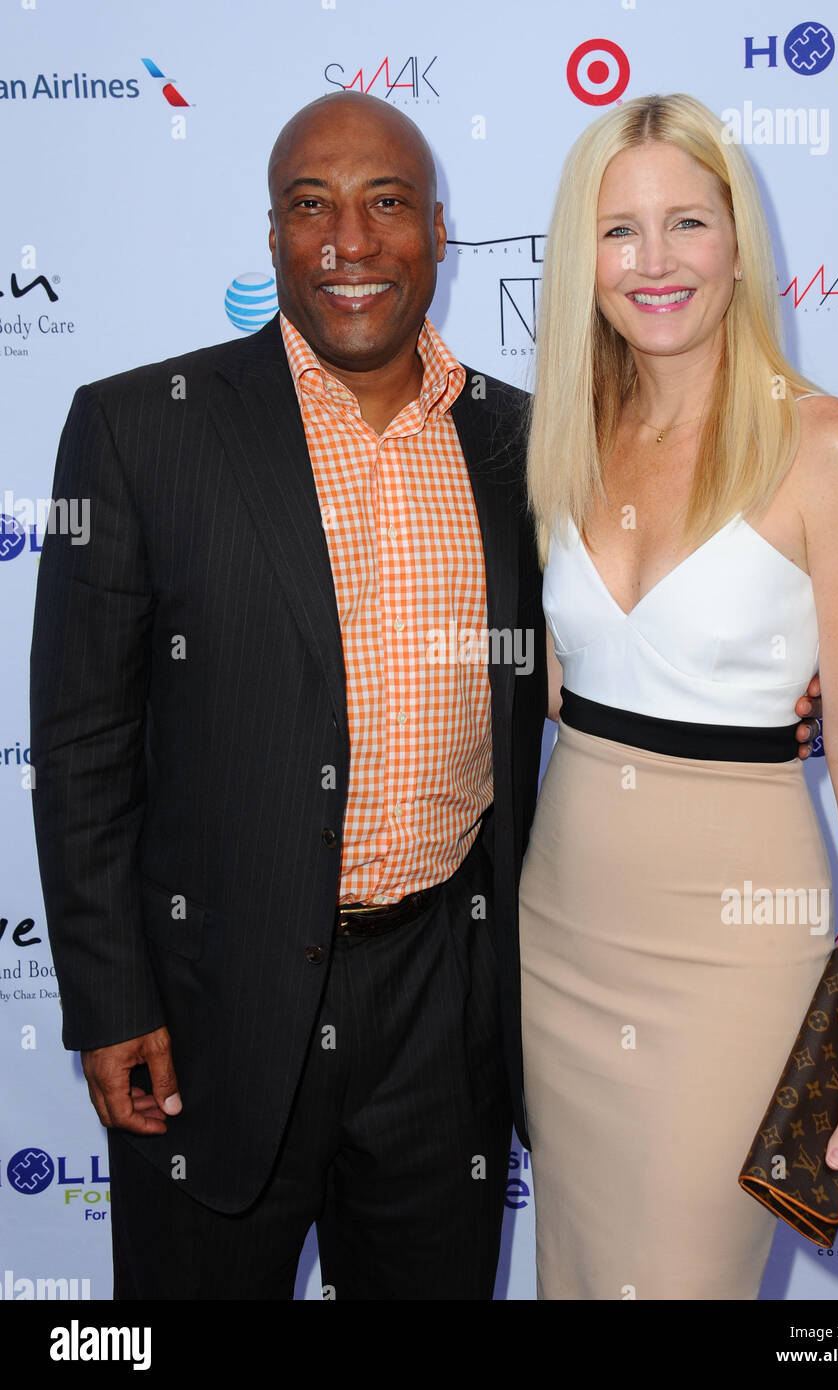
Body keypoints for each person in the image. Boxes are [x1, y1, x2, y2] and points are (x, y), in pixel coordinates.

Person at [29, 90, 547, 1301]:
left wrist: (765, 697)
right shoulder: (140, 430)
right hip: (210, 1009)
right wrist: (110, 1003)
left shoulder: (521, 443)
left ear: (437, 232)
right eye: (310, 205)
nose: (349, 242)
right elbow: (82, 745)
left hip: (446, 1004)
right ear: (270, 237)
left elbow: (619, 635)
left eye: (386, 205)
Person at [519, 93, 838, 1300]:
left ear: (738, 241)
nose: (654, 263)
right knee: (575, 1276)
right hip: (561, 928)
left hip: (733, 949)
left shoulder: (835, 449)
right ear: (578, 260)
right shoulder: (562, 439)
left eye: (686, 222)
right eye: (618, 231)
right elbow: (557, 692)